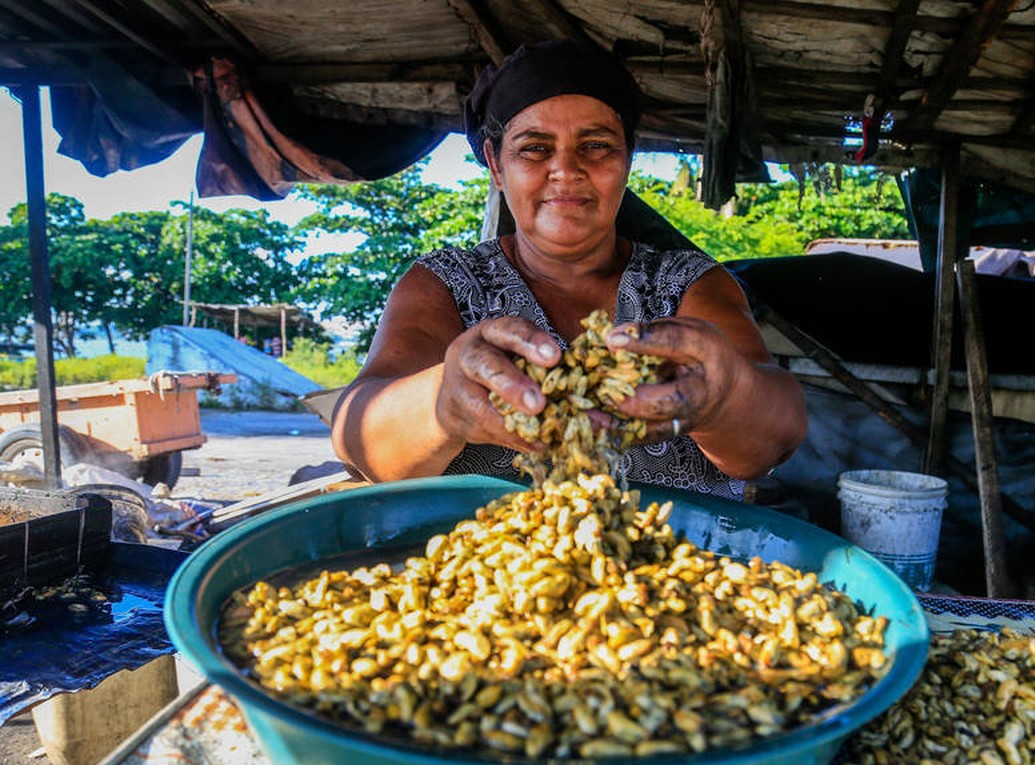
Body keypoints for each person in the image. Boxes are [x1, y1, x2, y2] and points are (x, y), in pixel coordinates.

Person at [332, 41, 806, 499]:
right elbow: (358, 436)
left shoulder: (687, 284)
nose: (566, 169)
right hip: (494, 570)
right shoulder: (446, 284)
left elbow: (774, 439)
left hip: (659, 570)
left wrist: (724, 396)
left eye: (596, 146)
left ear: (627, 157)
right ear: (497, 165)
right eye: (535, 148)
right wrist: (443, 402)